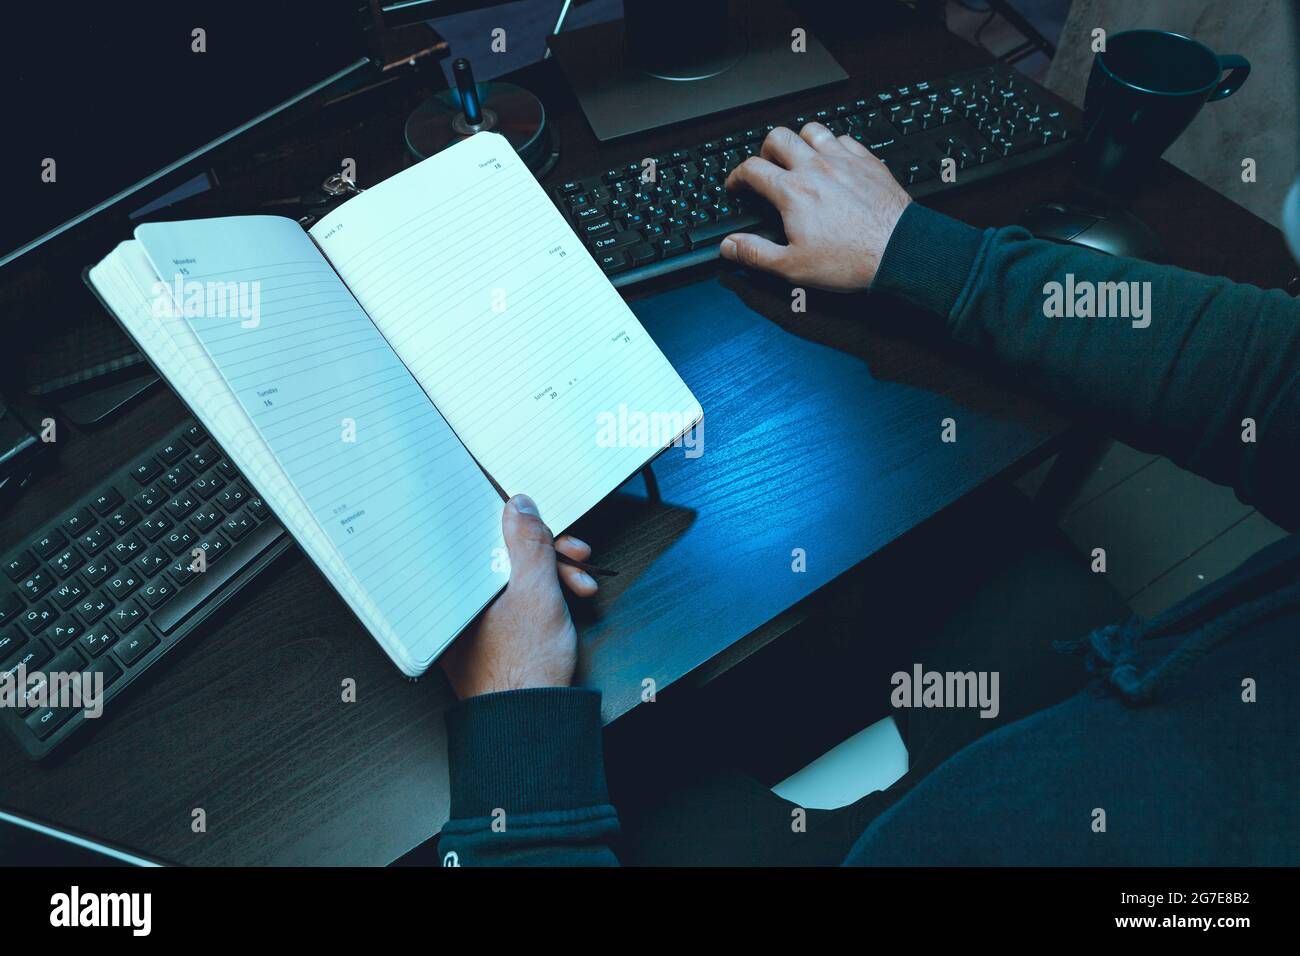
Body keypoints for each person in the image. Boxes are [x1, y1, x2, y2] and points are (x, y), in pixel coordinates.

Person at [435, 121, 1300, 866]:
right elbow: (1270, 382)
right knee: (998, 548)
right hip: (1133, 714)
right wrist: (927, 255)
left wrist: (517, 748)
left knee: (645, 755)